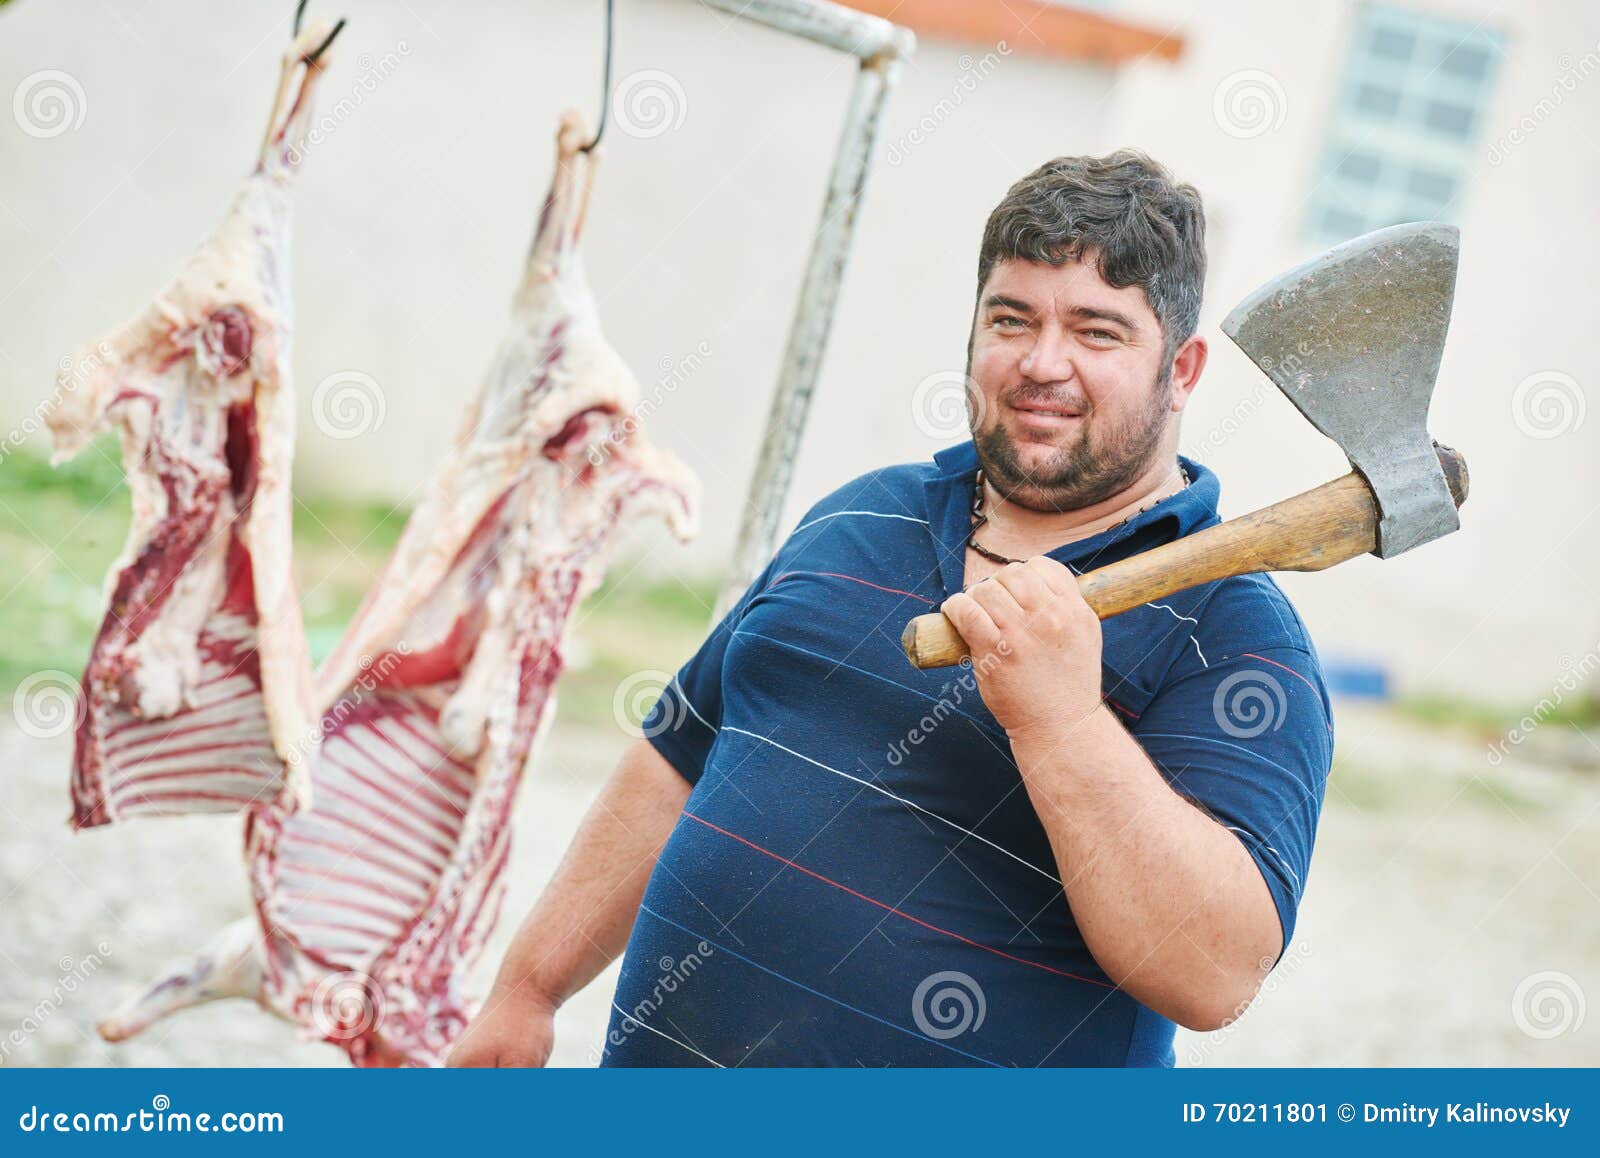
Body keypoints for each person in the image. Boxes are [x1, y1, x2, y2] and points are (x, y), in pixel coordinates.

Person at [448, 149, 1333, 1068]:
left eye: (1097, 332)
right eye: (1011, 319)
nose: (1042, 363)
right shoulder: (863, 514)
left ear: (1182, 370)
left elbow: (1214, 975)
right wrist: (529, 990)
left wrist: (1064, 723)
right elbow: (676, 760)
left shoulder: (1235, 633)